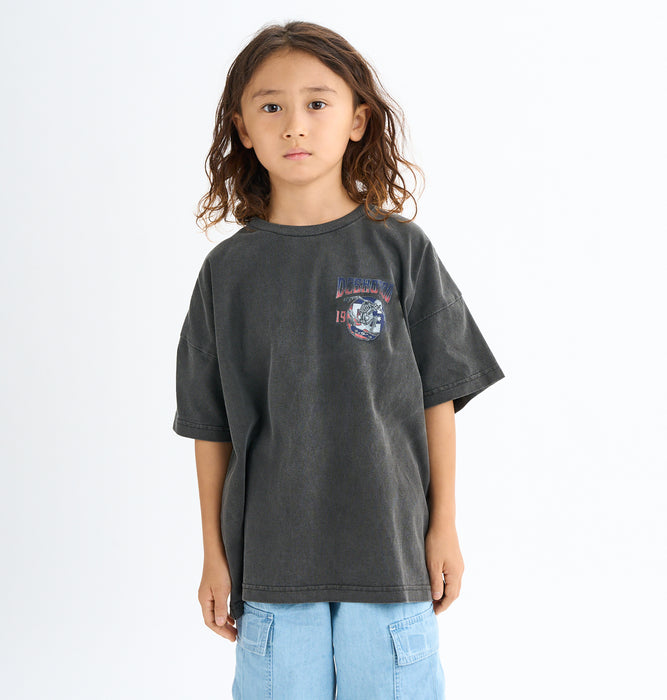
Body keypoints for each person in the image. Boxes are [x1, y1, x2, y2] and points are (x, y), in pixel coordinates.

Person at [172, 20, 505, 700]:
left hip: (391, 557)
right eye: (271, 106)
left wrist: (443, 527)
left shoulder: (401, 251)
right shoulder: (226, 273)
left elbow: (437, 398)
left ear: (357, 120)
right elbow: (211, 428)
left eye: (317, 103)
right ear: (242, 128)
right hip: (271, 566)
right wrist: (213, 555)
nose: (295, 124)